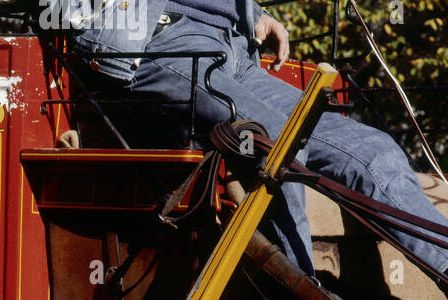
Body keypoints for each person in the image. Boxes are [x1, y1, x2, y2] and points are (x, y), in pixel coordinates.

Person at [45, 0, 448, 278]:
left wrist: (254, 13)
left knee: (373, 150)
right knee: (276, 143)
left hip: (233, 48)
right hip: (153, 45)